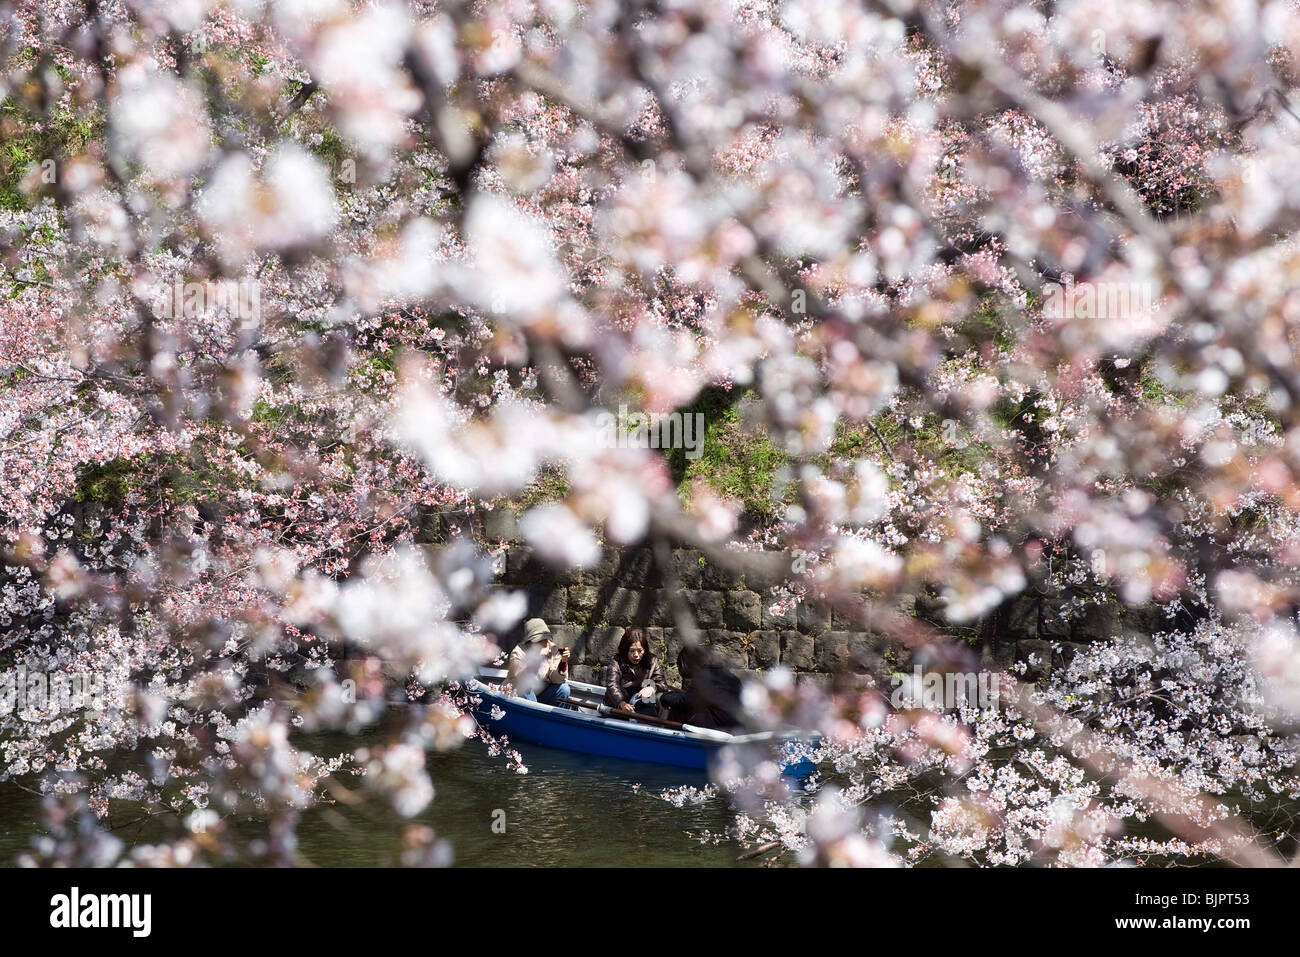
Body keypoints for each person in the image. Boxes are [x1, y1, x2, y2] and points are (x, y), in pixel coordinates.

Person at [660, 644, 742, 731]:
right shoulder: (726, 674)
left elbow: (687, 701)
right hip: (737, 723)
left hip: (721, 725)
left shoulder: (703, 676)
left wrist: (665, 697)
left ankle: (668, 738)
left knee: (678, 710)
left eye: (679, 665)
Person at [506, 618, 571, 706]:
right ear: (530, 641)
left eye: (546, 639)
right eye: (539, 640)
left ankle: (552, 717)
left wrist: (563, 660)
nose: (544, 642)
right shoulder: (518, 652)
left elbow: (557, 680)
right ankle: (534, 714)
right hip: (519, 694)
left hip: (541, 694)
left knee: (564, 689)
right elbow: (520, 678)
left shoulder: (553, 649)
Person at [604, 628, 667, 716]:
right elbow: (612, 684)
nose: (636, 655)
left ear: (644, 650)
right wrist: (621, 703)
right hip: (620, 707)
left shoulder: (652, 661)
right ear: (625, 650)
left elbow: (662, 684)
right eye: (632, 651)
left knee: (661, 697)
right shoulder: (616, 661)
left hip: (643, 705)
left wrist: (652, 688)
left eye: (640, 651)